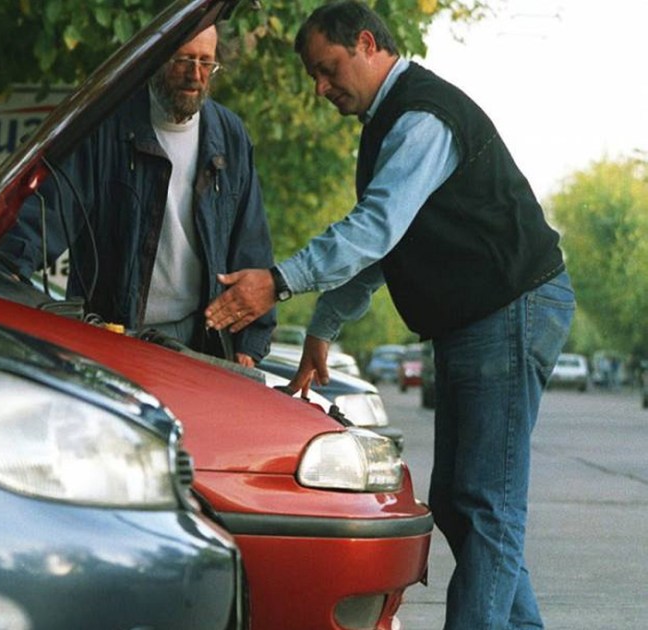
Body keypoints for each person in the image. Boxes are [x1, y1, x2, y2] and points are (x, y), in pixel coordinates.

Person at [203, 2, 574, 628]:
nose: (321, 89)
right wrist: (324, 326)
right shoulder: (388, 124)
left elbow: (375, 230)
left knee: (485, 505)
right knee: (461, 506)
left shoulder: (422, 118)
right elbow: (392, 241)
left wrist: (280, 282)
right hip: (479, 320)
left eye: (328, 69)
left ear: (368, 43)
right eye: (314, 78)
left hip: (510, 309)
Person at [0, 24, 276, 367]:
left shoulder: (230, 135)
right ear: (156, 58)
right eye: (184, 60)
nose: (195, 75)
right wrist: (4, 271)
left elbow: (251, 246)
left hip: (198, 341)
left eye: (207, 63)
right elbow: (51, 211)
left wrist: (250, 341)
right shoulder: (108, 123)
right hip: (109, 335)